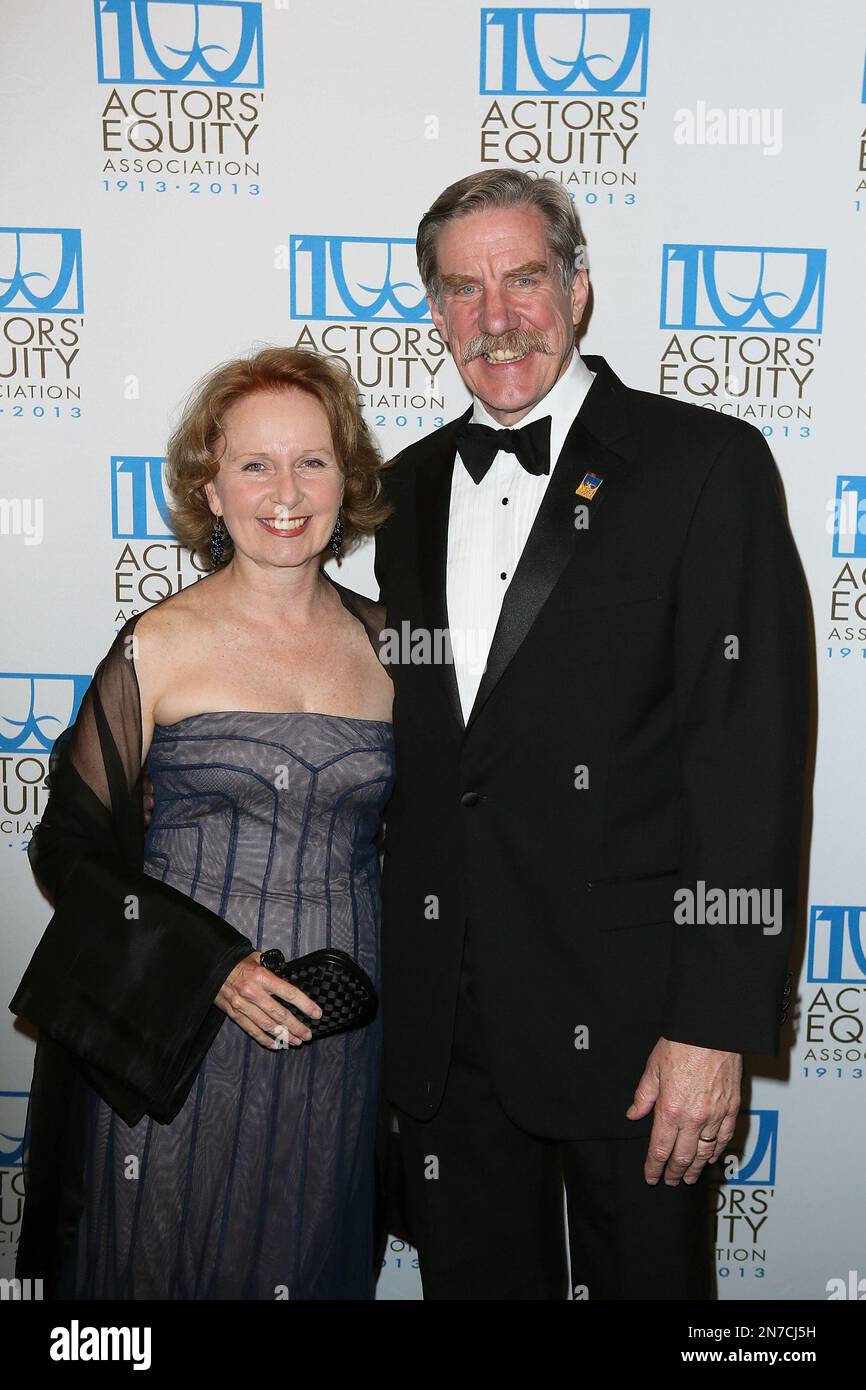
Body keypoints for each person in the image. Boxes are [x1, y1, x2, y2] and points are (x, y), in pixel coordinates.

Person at [372, 169, 812, 1299]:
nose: (496, 316)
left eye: (522, 277)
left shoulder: (701, 464)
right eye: (461, 290)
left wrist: (713, 1029)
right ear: (432, 310)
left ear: (577, 288)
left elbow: (747, 761)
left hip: (636, 1034)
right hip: (452, 1036)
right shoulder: (408, 489)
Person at [10, 347, 395, 1299]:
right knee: (148, 1264)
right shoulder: (160, 641)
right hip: (174, 1034)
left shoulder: (396, 648)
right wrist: (211, 965)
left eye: (312, 460)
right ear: (210, 490)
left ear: (346, 480)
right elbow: (67, 845)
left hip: (335, 1047)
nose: (286, 491)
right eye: (254, 464)